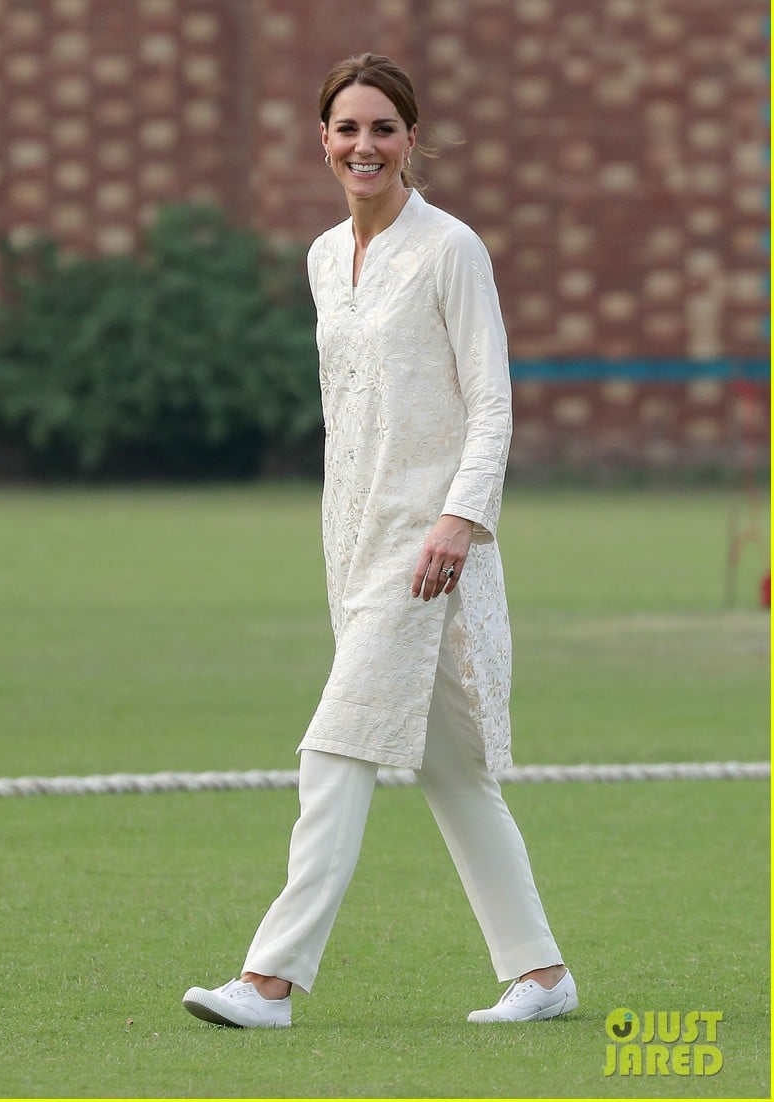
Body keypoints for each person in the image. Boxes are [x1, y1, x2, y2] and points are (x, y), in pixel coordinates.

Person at [182, 53, 577, 1029]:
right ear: (322, 138)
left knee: (336, 745)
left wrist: (458, 516)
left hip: (430, 546)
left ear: (410, 139)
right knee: (449, 769)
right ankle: (541, 973)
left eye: (383, 129)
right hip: (353, 544)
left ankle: (269, 980)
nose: (364, 146)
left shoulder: (451, 250)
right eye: (346, 128)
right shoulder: (322, 258)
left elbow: (491, 404)